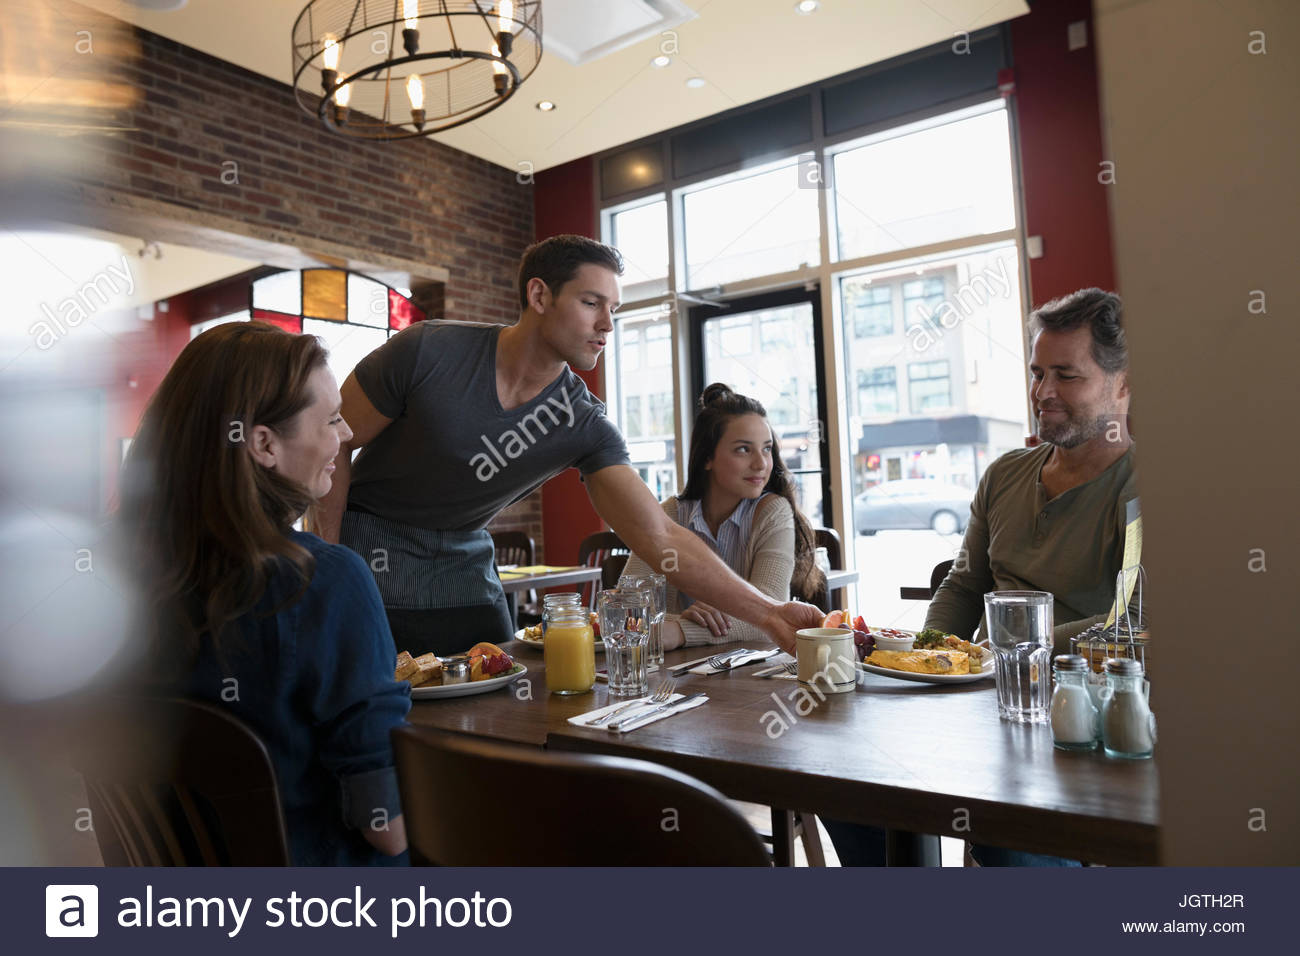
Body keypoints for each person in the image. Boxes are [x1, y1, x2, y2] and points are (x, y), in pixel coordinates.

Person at [315, 234, 822, 657]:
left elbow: (658, 536)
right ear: (539, 296)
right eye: (591, 303)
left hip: (463, 569)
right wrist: (329, 560)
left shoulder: (582, 422)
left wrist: (772, 614)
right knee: (374, 724)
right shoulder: (426, 350)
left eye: (614, 309)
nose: (607, 324)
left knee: (500, 718)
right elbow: (331, 438)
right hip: (368, 556)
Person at [826, 287, 1136, 868]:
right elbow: (965, 585)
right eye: (1037, 373)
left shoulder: (1143, 484)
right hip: (982, 703)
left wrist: (1008, 654)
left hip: (1076, 716)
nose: (1043, 393)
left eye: (1066, 375)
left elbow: (1132, 619)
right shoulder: (1004, 474)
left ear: (1122, 383)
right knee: (844, 779)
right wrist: (928, 658)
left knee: (1005, 837)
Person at [118, 322, 410, 866]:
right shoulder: (325, 581)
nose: (345, 435)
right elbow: (386, 829)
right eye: (330, 419)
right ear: (264, 444)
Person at [621, 384, 823, 649]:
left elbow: (771, 621)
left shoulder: (773, 512)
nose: (761, 463)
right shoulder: (669, 515)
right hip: (680, 675)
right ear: (708, 458)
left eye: (766, 449)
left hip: (749, 677)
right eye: (743, 449)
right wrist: (680, 619)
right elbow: (626, 610)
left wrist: (679, 631)